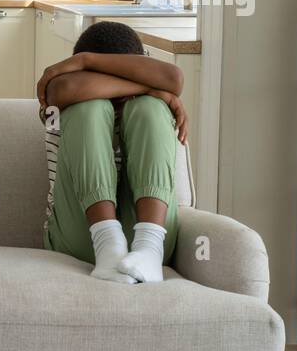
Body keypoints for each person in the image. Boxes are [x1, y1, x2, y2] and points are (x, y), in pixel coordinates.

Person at [35, 21, 188, 284]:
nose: (115, 98)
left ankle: (149, 248)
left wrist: (88, 61)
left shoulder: (147, 106)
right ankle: (107, 242)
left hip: (151, 235)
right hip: (81, 237)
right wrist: (148, 87)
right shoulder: (62, 104)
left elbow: (173, 78)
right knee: (87, 108)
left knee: (150, 108)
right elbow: (66, 89)